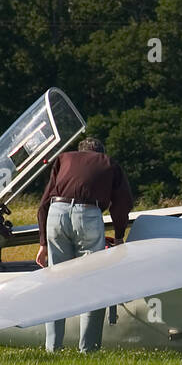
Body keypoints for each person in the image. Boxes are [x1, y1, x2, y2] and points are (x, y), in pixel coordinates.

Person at [36, 136, 133, 353]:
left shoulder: (63, 159)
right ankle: (88, 349)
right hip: (88, 214)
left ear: (80, 151)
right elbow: (122, 204)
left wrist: (43, 242)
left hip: (56, 213)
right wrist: (118, 237)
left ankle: (53, 348)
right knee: (92, 283)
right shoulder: (108, 163)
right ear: (100, 151)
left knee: (56, 282)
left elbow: (43, 203)